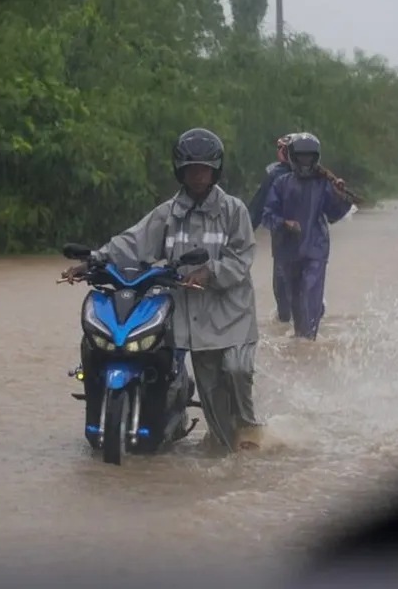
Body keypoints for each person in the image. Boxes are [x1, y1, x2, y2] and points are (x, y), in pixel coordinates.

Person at [61, 127, 262, 453]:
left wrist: (209, 272)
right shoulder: (168, 212)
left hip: (231, 314)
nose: (198, 176)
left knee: (237, 371)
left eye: (204, 169)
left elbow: (241, 259)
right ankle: (226, 452)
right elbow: (133, 241)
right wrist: (94, 259)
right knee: (211, 394)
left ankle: (250, 431)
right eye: (191, 169)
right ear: (180, 171)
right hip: (191, 316)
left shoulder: (233, 210)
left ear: (215, 170)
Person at [261, 133, 353, 341]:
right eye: (301, 157)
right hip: (288, 251)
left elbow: (334, 214)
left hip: (315, 250)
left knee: (310, 293)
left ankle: (308, 341)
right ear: (293, 157)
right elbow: (267, 215)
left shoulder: (323, 185)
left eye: (308, 158)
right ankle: (301, 339)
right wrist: (284, 223)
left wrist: (341, 197)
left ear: (316, 158)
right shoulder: (281, 183)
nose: (305, 163)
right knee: (294, 300)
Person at [247, 133, 299, 323]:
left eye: (282, 148)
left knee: (288, 282)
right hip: (285, 237)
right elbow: (259, 209)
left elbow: (257, 209)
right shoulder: (275, 174)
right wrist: (243, 232)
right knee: (285, 283)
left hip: (300, 240)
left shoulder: (313, 176)